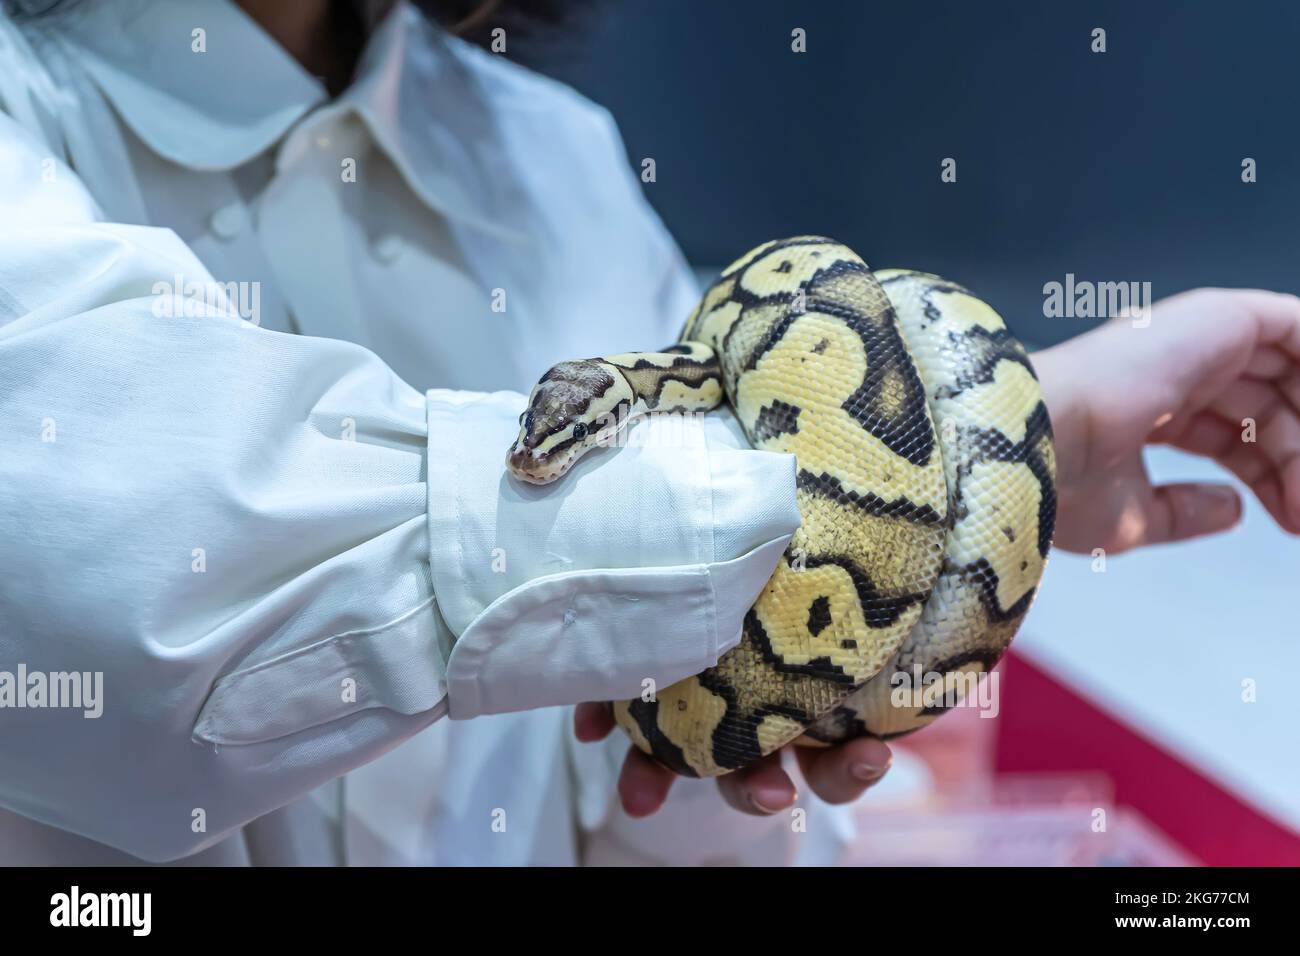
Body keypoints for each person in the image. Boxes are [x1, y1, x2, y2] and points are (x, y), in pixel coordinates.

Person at [1, 0, 1298, 865]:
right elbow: (113, 584)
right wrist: (969, 449)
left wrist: (986, 463)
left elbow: (641, 753)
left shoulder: (549, 157)